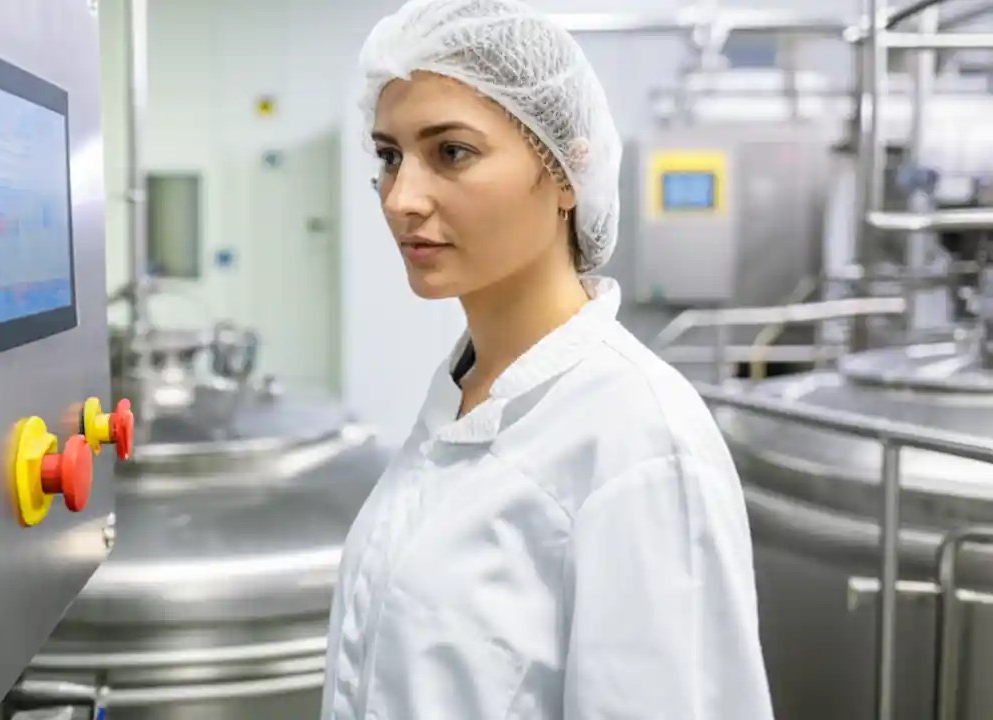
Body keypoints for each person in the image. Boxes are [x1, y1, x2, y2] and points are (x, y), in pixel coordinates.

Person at [320, 0, 775, 718]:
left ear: (567, 171)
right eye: (388, 156)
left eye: (452, 152)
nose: (402, 197)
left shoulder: (639, 444)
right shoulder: (466, 393)